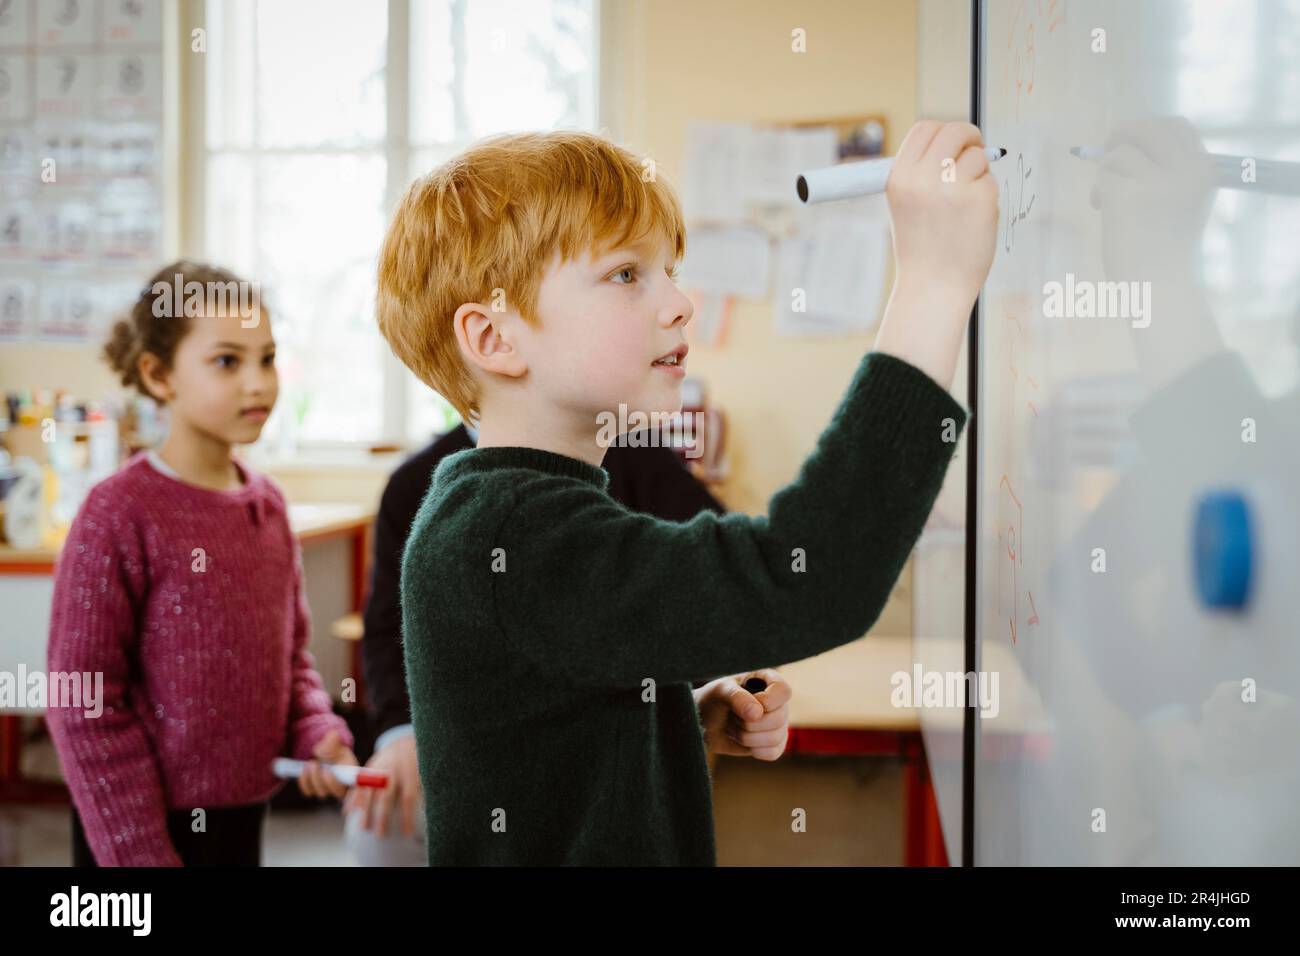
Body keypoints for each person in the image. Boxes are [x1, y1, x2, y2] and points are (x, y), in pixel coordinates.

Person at [373, 122, 997, 864]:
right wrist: (933, 285)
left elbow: (547, 744)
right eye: (627, 274)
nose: (680, 303)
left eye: (670, 270)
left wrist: (682, 721)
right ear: (496, 340)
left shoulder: (520, 507)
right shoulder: (509, 532)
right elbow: (807, 578)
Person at [345, 420, 794, 864]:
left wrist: (697, 699)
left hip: (600, 760)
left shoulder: (634, 454)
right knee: (376, 832)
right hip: (475, 755)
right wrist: (399, 733)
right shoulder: (416, 484)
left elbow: (715, 575)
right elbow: (386, 625)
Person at [46, 261, 358, 866]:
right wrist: (140, 853)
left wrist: (317, 733)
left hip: (239, 821)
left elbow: (289, 659)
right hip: (135, 834)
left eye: (266, 359)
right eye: (227, 361)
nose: (258, 384)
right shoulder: (117, 512)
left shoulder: (266, 505)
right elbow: (84, 699)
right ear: (158, 375)